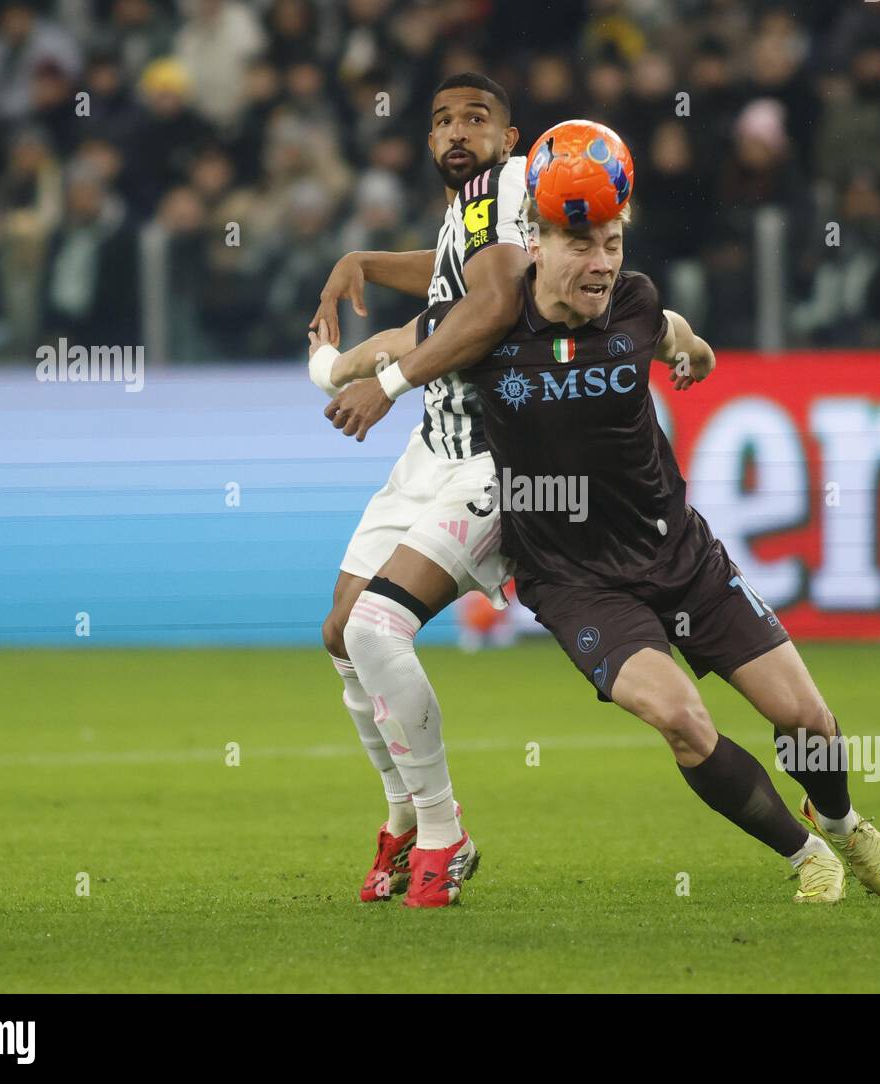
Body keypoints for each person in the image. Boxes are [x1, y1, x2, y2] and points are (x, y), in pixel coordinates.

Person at [322, 200, 880, 904]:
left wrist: (698, 356)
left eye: (613, 243)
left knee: (806, 720)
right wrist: (334, 366)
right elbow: (397, 341)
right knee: (681, 720)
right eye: (582, 246)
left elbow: (678, 337)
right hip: (576, 582)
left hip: (679, 557)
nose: (601, 263)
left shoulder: (634, 303)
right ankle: (806, 854)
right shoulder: (487, 324)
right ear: (535, 245)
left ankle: (841, 819)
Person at [307, 73, 530, 908]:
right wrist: (364, 260)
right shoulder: (468, 209)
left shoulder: (506, 190)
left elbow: (495, 304)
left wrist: (387, 380)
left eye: (477, 117)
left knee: (375, 627)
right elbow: (446, 284)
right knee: (340, 632)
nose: (456, 130)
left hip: (492, 458)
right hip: (434, 450)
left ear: (511, 138)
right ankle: (403, 818)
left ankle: (443, 830)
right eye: (441, 120)